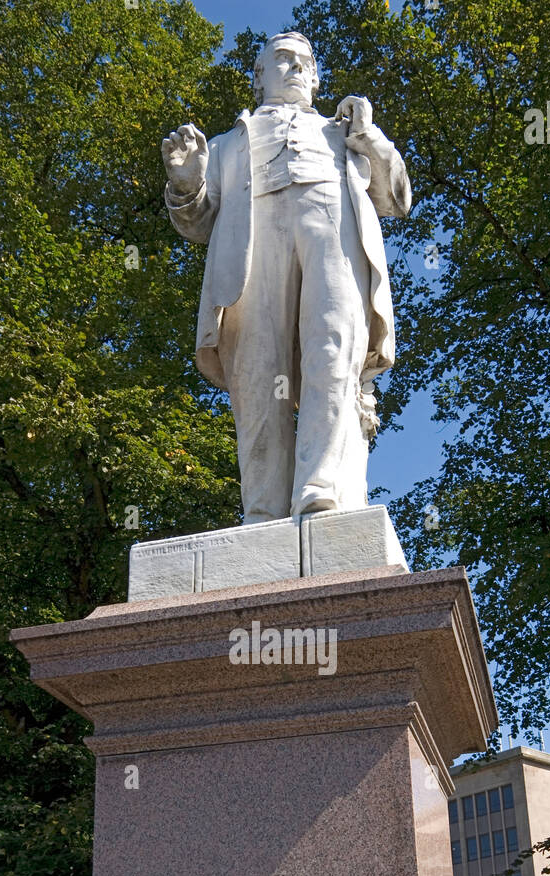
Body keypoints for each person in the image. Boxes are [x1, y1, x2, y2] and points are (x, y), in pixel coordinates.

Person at [161, 32, 411, 523]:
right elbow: (198, 222)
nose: (296, 68)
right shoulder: (226, 145)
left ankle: (321, 487)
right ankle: (263, 508)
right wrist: (188, 182)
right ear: (258, 78)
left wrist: (371, 137)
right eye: (282, 59)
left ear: (316, 79)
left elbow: (396, 198)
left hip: (333, 234)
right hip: (255, 241)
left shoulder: (345, 134)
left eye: (305, 63)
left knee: (332, 352)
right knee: (257, 369)